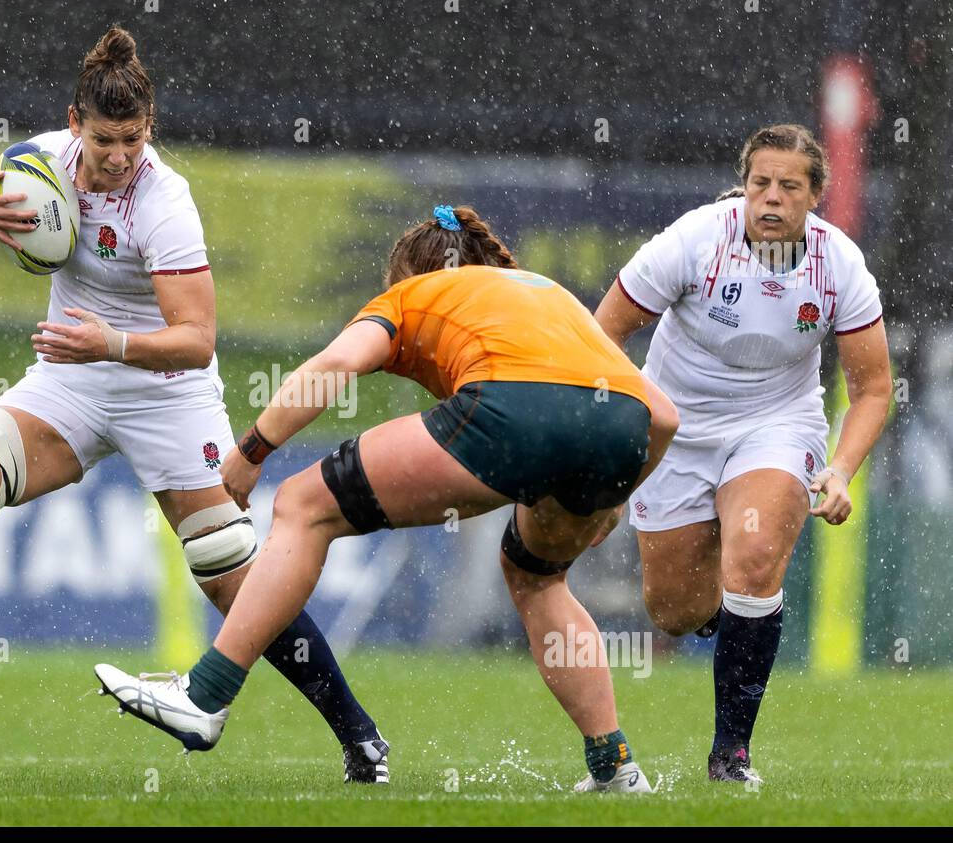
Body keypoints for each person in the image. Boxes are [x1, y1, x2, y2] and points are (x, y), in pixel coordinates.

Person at [0, 26, 389, 784]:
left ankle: (361, 737)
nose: (118, 156)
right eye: (105, 139)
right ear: (75, 125)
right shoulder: (38, 168)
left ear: (149, 129)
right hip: (72, 377)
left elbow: (197, 339)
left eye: (133, 139)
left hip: (163, 390)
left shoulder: (164, 203)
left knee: (232, 579)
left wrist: (111, 344)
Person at [96, 205, 680, 792]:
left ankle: (204, 697)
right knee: (538, 578)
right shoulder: (547, 294)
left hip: (510, 407)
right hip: (619, 431)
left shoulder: (414, 295)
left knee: (303, 505)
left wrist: (253, 449)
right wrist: (614, 496)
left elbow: (337, 365)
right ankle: (615, 767)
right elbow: (663, 415)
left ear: (409, 273)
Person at [592, 123, 892, 784]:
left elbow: (872, 389)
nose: (772, 198)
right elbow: (601, 334)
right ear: (744, 187)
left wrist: (839, 470)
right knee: (673, 610)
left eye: (789, 186)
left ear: (814, 198)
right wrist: (613, 449)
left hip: (776, 425)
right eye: (761, 183)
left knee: (754, 560)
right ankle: (733, 610)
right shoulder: (695, 240)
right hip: (675, 428)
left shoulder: (839, 265)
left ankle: (731, 754)